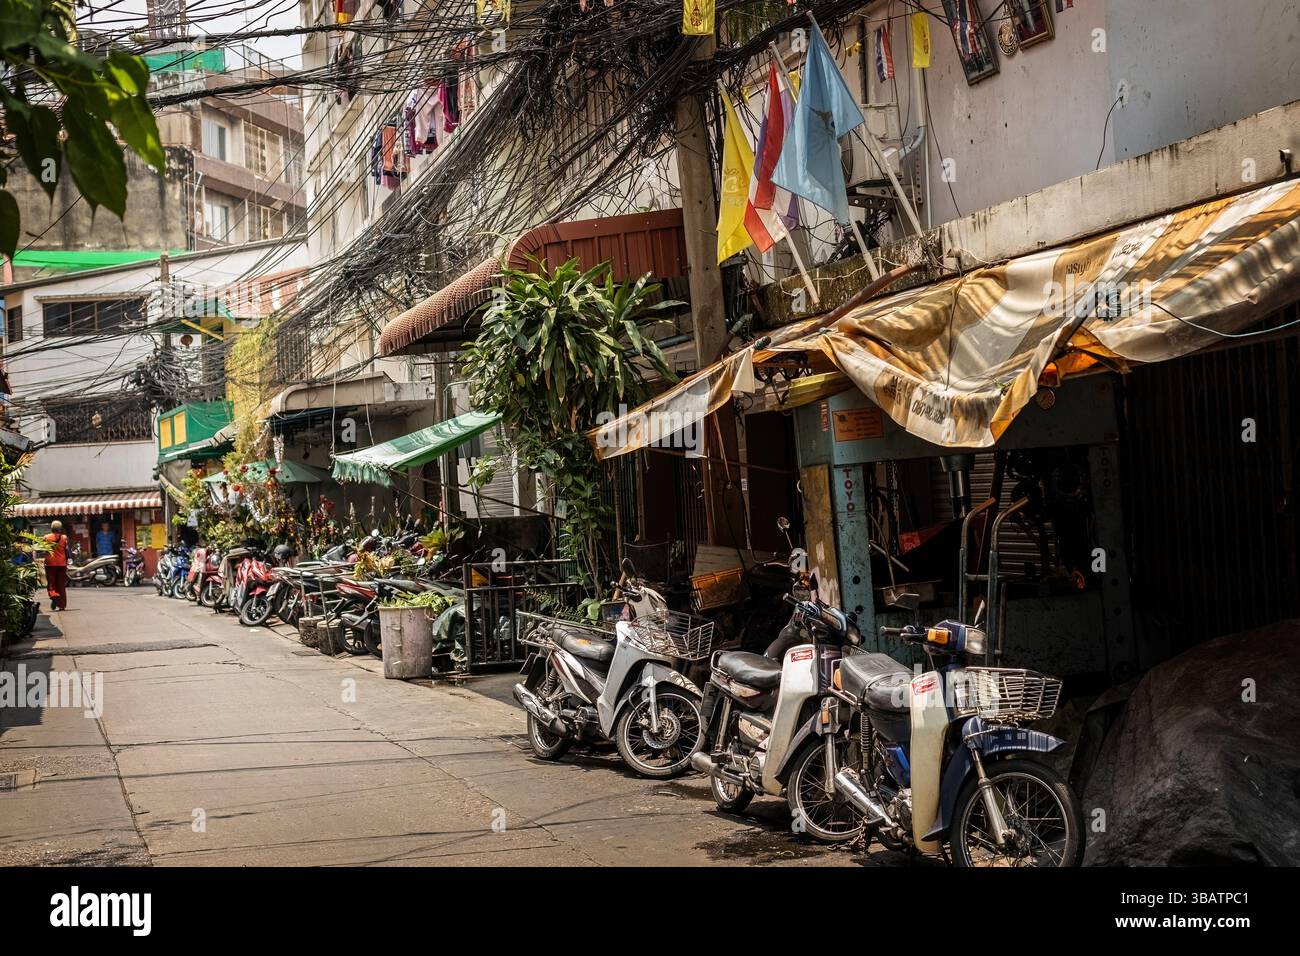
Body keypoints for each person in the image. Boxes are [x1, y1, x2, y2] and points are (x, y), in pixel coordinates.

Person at [43, 520, 70, 611]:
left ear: (51, 528)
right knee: (61, 584)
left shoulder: (46, 537)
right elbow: (67, 551)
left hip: (50, 564)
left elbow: (42, 549)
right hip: (62, 564)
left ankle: (54, 596)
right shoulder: (64, 538)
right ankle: (62, 605)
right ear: (60, 529)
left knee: (51, 583)